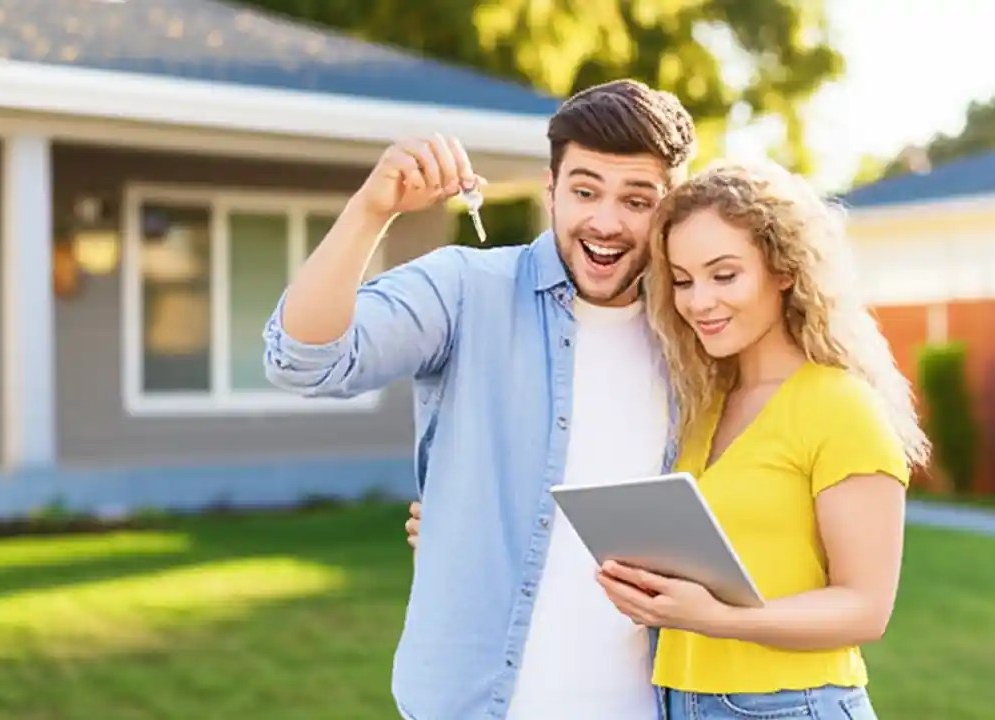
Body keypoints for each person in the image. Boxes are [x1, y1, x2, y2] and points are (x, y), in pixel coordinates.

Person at [409, 161, 931, 719]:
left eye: (724, 275)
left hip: (792, 705)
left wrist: (717, 620)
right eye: (682, 280)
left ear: (784, 270)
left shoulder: (841, 406)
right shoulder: (701, 405)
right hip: (680, 704)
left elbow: (865, 608)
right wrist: (467, 530)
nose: (699, 301)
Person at [263, 79, 696, 720]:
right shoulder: (466, 289)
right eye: (584, 191)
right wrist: (372, 209)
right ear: (550, 191)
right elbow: (304, 361)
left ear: (671, 208)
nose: (606, 222)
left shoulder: (696, 331)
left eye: (637, 200)